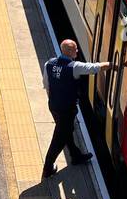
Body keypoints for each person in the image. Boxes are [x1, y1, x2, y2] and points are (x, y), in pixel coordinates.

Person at [41, 39, 110, 179]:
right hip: (66, 109)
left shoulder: (49, 64)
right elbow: (94, 68)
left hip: (54, 106)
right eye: (76, 49)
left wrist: (55, 100)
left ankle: (76, 155)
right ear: (70, 52)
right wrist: (111, 64)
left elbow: (46, 85)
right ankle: (48, 168)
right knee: (58, 139)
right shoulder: (74, 66)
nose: (77, 51)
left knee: (66, 131)